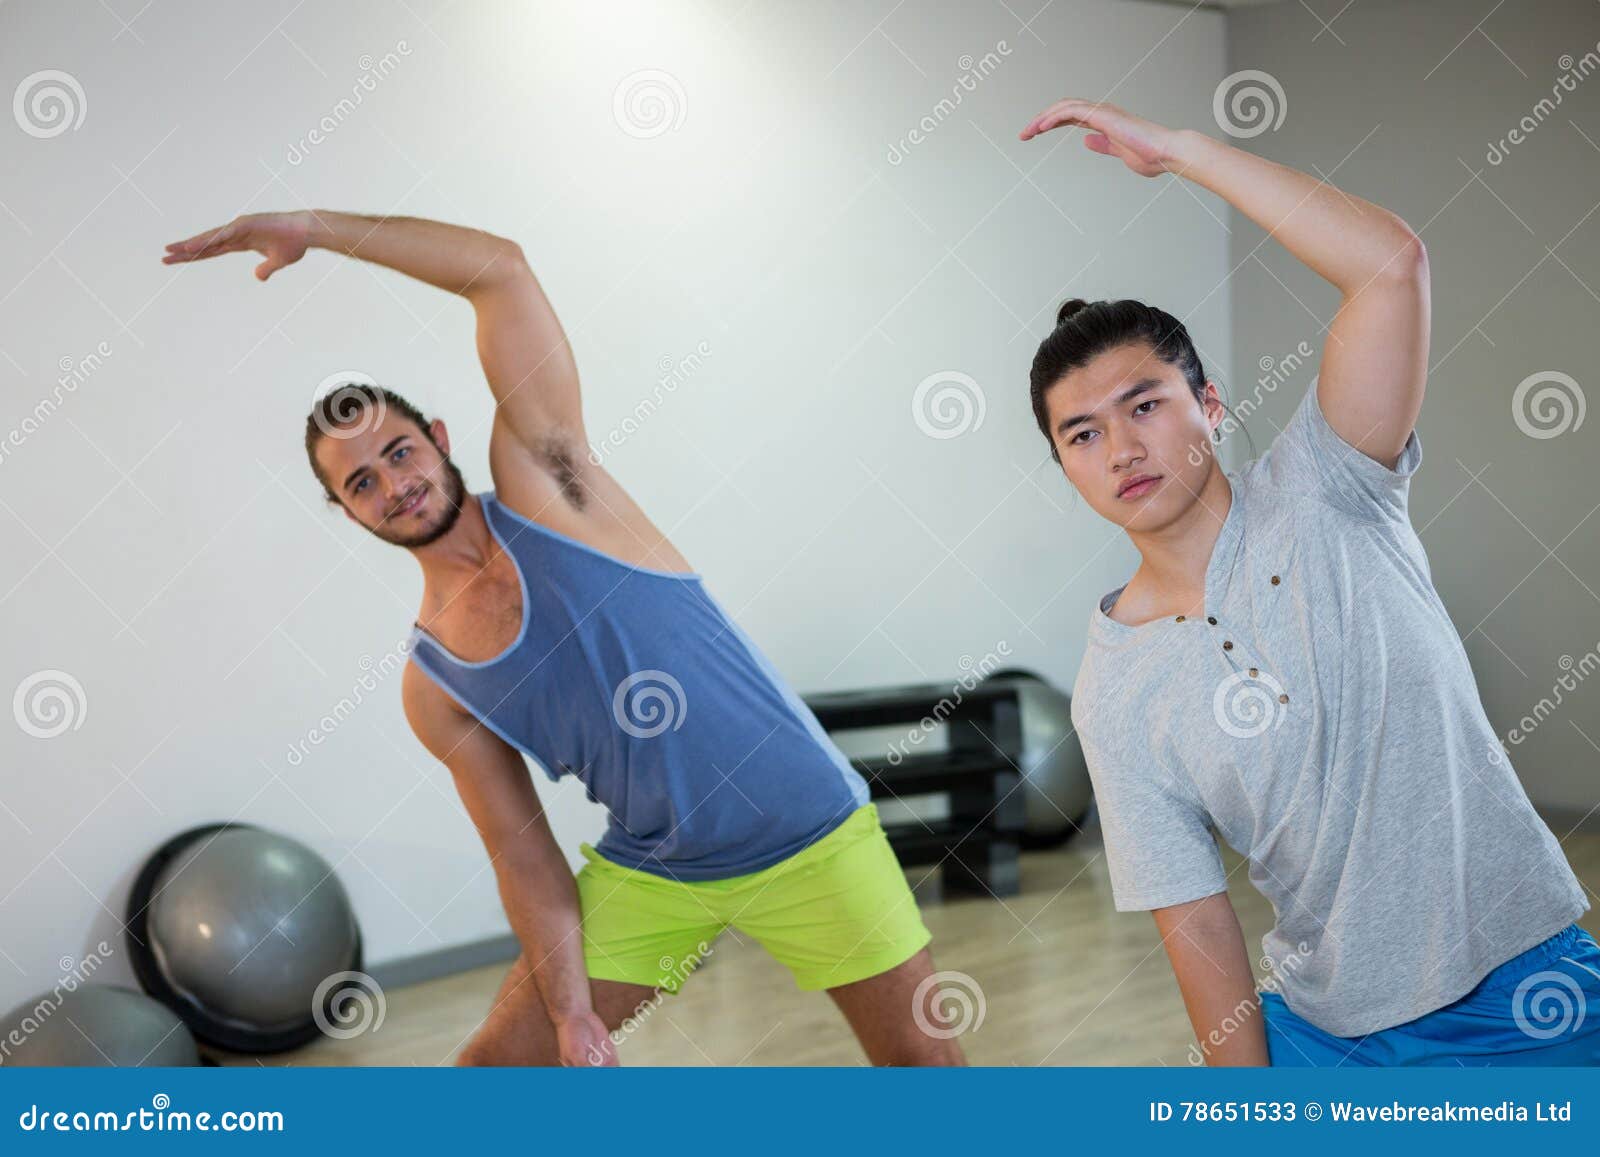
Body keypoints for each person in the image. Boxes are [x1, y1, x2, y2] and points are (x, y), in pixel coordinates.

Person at [161, 210, 963, 1067]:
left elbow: (498, 272)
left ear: (437, 437)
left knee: (930, 1088)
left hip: (811, 832)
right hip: (662, 870)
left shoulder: (553, 487)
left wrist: (313, 228)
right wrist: (574, 1012)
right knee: (491, 1077)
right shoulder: (433, 683)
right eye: (361, 482)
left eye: (398, 452)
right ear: (346, 510)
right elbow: (527, 859)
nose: (393, 484)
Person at [1019, 98, 1597, 1065]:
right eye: (1082, 434)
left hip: (1529, 993)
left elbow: (1389, 267)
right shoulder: (1113, 689)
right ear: (1066, 466)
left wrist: (1185, 153)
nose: (1120, 447)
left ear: (1208, 404)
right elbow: (1197, 924)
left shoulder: (1328, 488)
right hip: (1336, 1039)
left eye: (1145, 404)